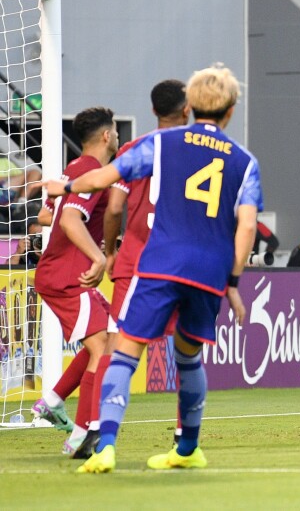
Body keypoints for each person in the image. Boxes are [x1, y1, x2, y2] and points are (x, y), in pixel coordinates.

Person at [62, 66, 260, 474]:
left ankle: (107, 447)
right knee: (188, 358)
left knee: (125, 352)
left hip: (159, 261)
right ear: (231, 109)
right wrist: (234, 282)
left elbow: (107, 178)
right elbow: (247, 226)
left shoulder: (160, 143)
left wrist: (64, 187)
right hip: (208, 271)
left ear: (192, 104)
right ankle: (187, 448)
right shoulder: (244, 160)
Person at [93, 81, 190, 445]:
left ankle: (96, 429)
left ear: (152, 111)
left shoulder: (135, 148)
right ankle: (185, 438)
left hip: (137, 260)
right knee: (187, 349)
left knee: (117, 345)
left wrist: (110, 250)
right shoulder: (199, 153)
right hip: (183, 262)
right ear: (187, 109)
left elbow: (115, 206)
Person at [29, 107, 117, 459]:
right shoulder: (90, 171)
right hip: (69, 275)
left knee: (109, 339)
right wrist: (97, 256)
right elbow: (66, 219)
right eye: (115, 131)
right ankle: (82, 434)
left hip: (64, 271)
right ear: (106, 136)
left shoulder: (75, 170)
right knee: (103, 349)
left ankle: (52, 401)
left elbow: (45, 214)